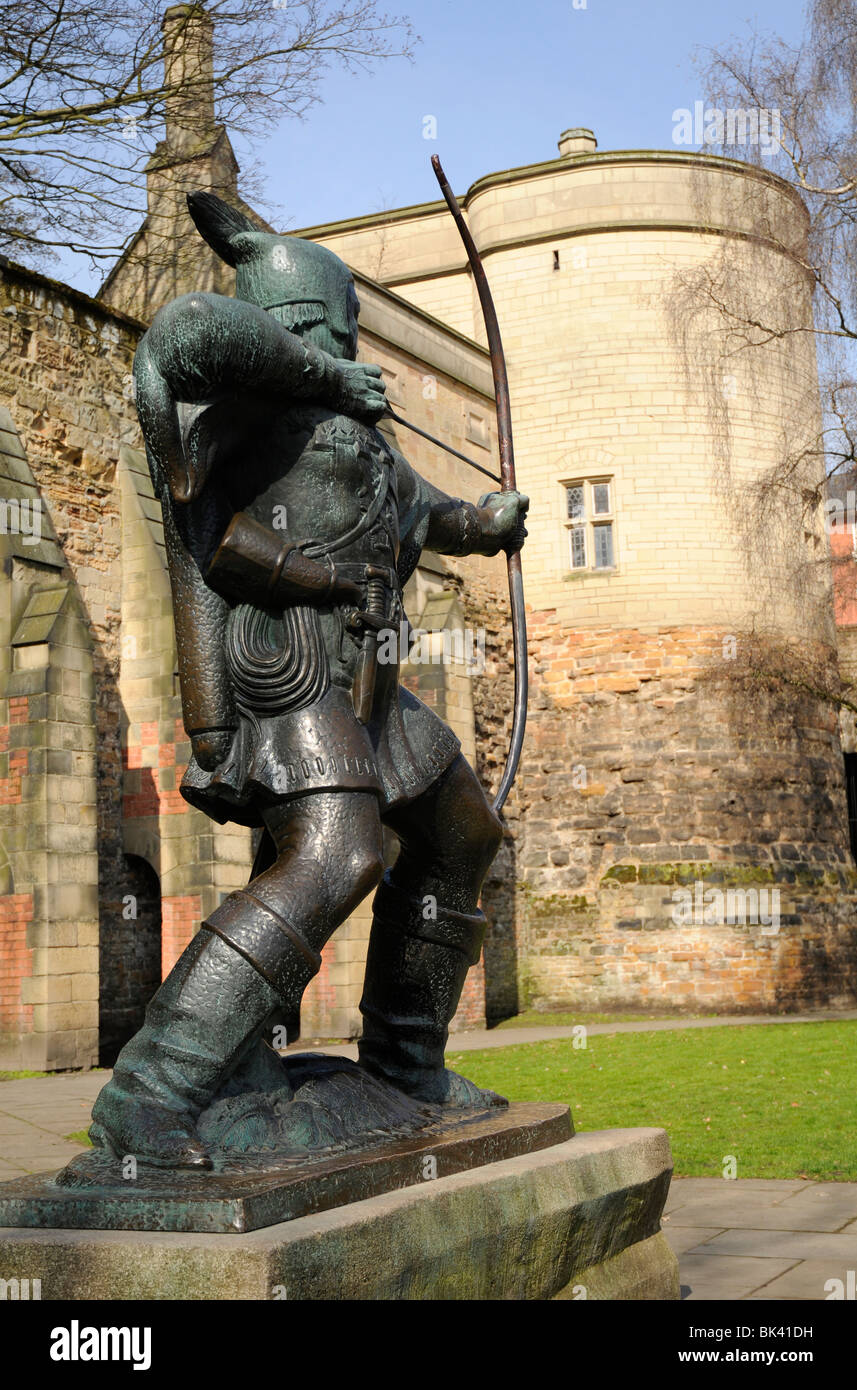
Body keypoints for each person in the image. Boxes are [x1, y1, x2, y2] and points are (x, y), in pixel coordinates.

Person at [91, 192, 529, 1168]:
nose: (347, 343)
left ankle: (407, 1060)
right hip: (284, 664)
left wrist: (487, 521)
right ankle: (152, 1087)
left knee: (461, 830)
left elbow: (423, 513)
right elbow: (183, 334)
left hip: (366, 677)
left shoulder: (353, 433)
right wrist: (326, 385)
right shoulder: (246, 409)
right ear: (301, 324)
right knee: (338, 852)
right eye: (330, 329)